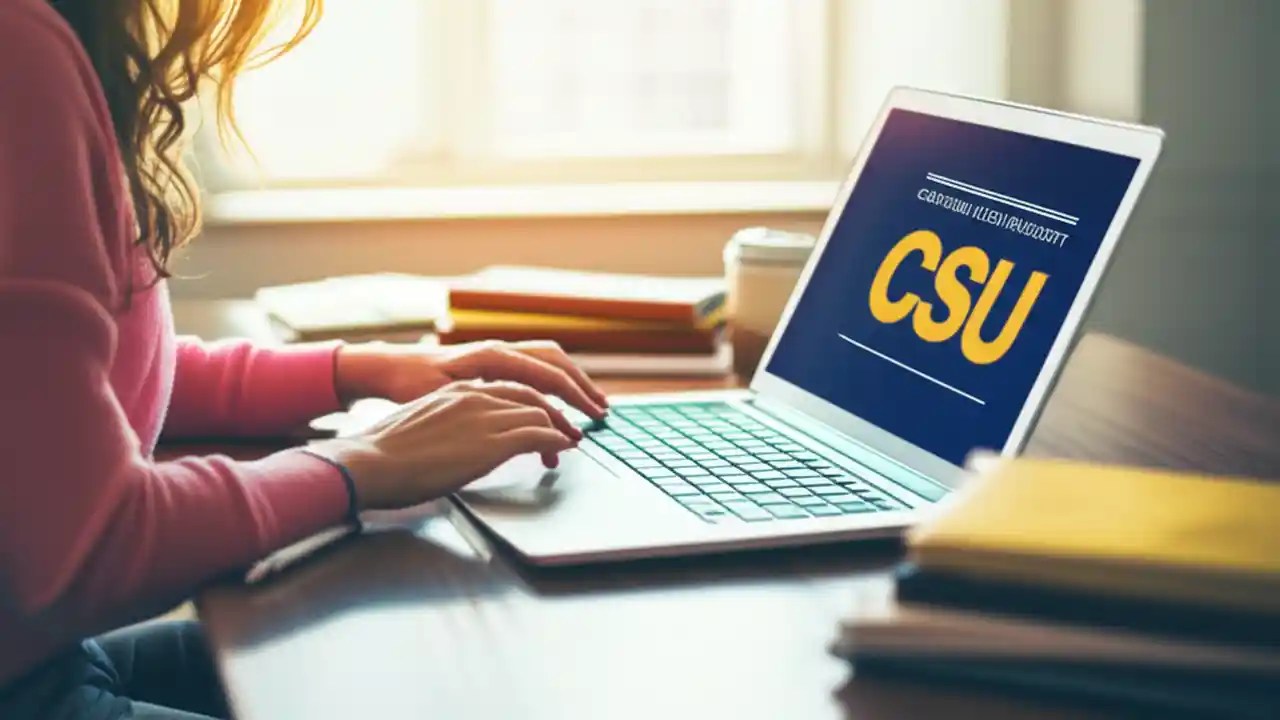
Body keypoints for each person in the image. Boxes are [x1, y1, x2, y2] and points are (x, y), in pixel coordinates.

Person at [0, 1, 609, 718]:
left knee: (387, 665)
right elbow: (86, 547)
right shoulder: (18, 50)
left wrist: (360, 371)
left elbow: (73, 395)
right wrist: (361, 464)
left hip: (40, 654)